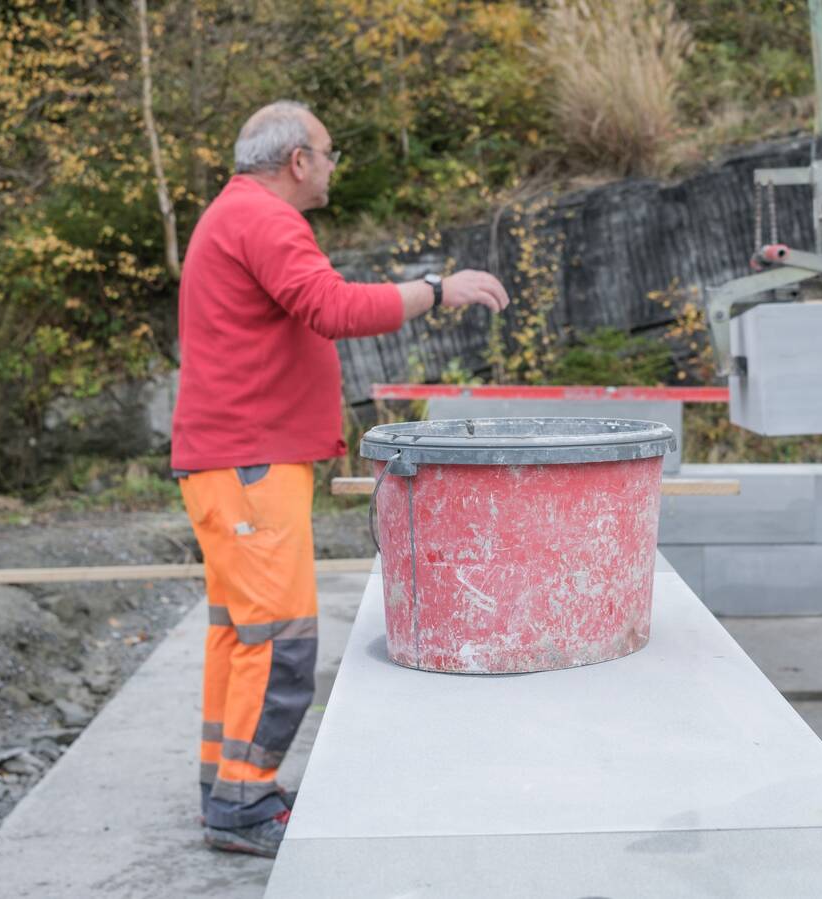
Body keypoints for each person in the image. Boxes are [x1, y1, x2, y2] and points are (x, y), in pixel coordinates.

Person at [170, 100, 510, 857]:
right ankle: (243, 804)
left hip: (233, 461)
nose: (331, 166)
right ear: (297, 161)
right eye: (327, 153)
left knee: (241, 634)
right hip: (248, 463)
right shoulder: (264, 219)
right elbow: (330, 306)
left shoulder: (237, 214)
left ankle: (228, 786)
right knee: (280, 640)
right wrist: (436, 289)